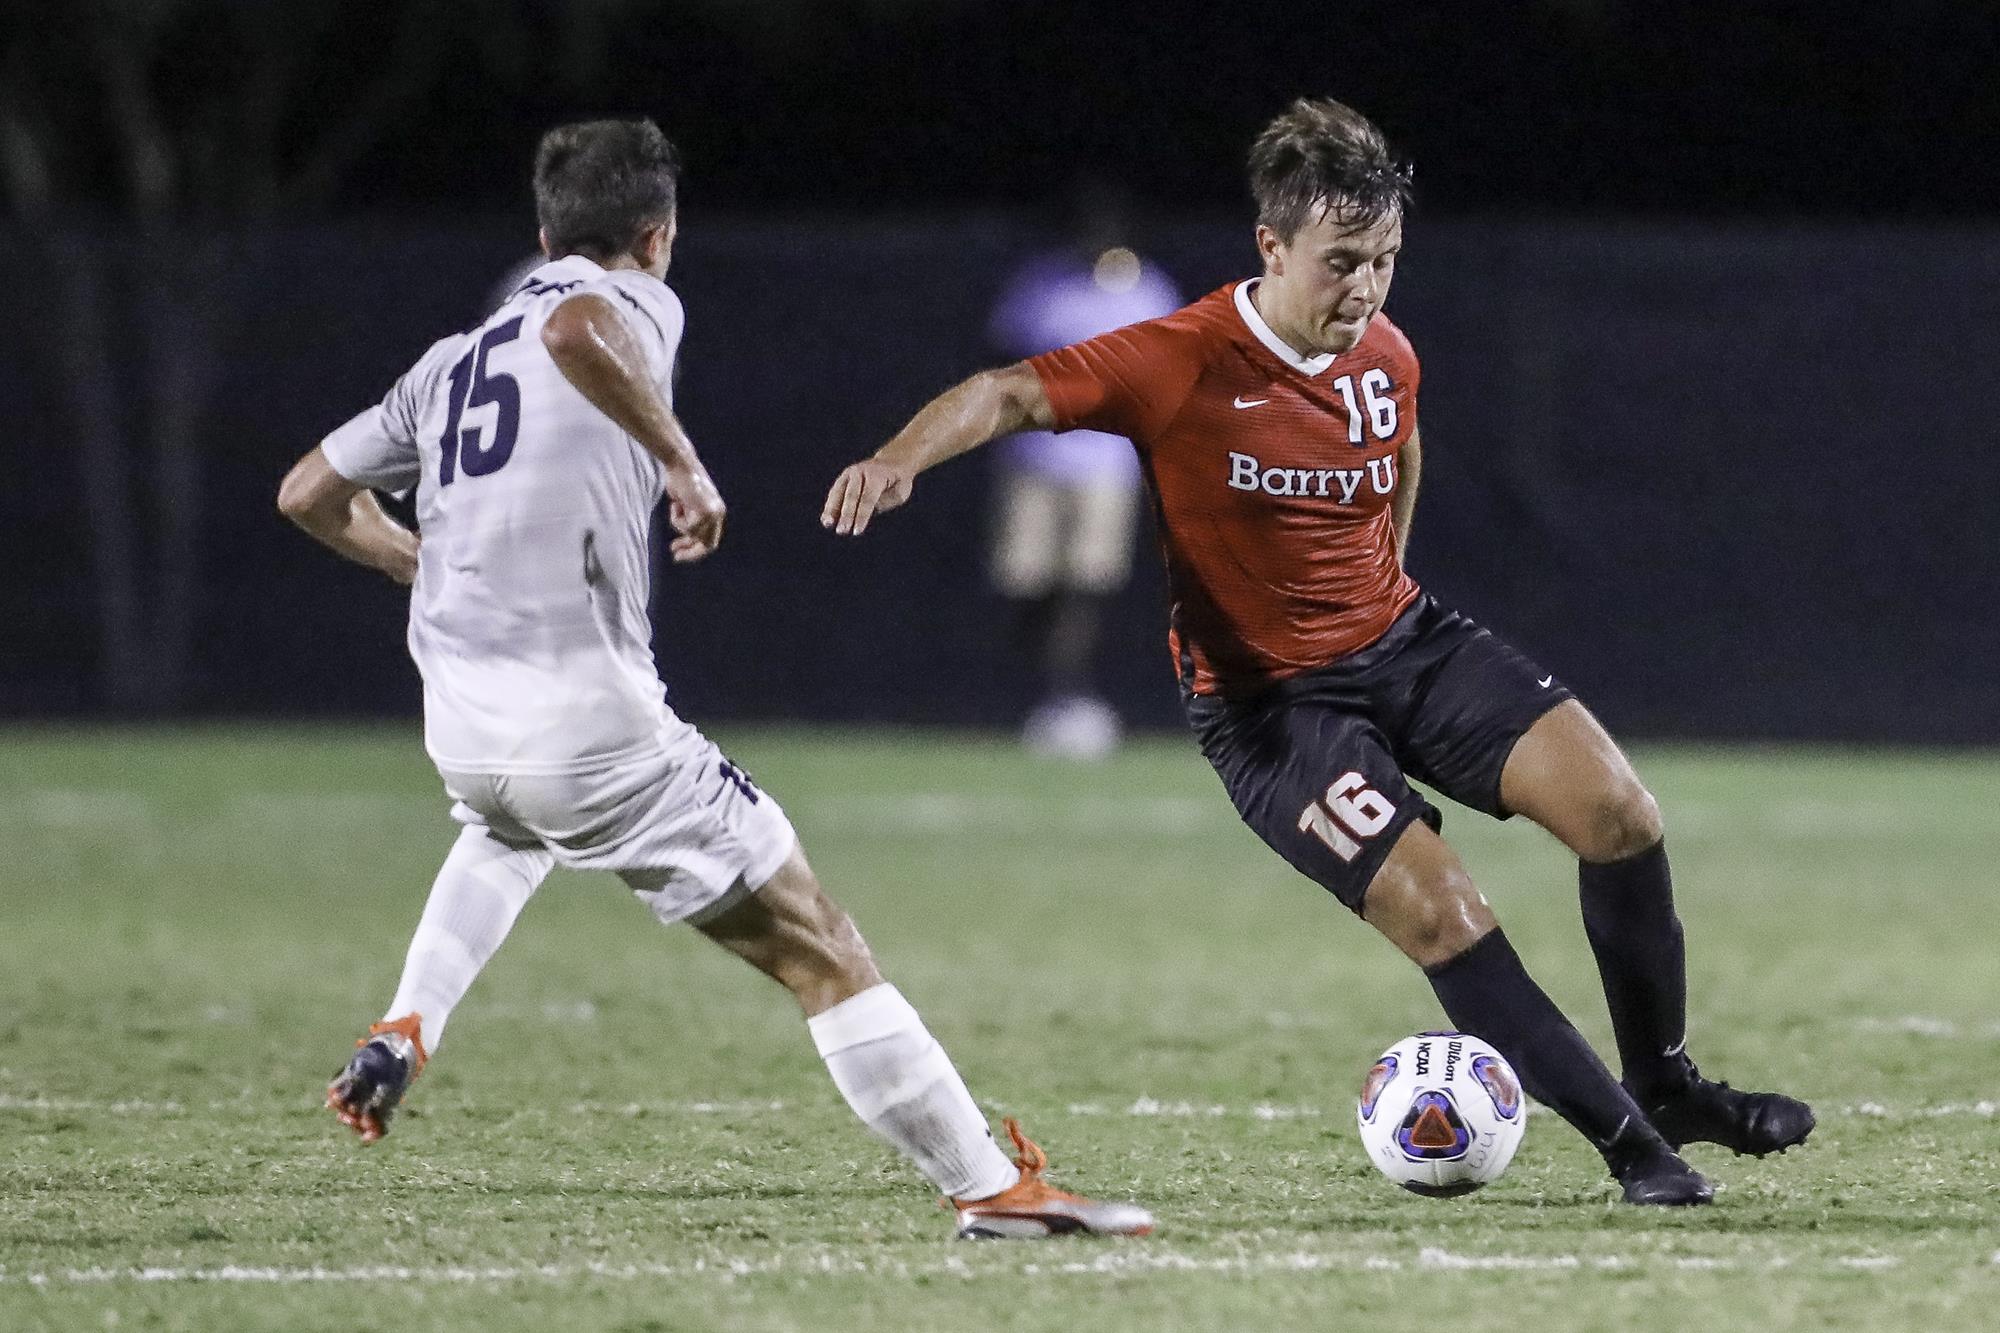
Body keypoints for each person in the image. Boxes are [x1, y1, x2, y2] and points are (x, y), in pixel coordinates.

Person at [822, 97, 1814, 1206]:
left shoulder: (1384, 349)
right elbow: (1008, 390)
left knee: (1620, 814)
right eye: (1340, 262)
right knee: (1444, 911)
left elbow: (1398, 445)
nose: (1365, 288)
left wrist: (1385, 577)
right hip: (1271, 709)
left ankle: (1665, 1080)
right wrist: (898, 458)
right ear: (1270, 246)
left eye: (1384, 260)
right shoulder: (1181, 358)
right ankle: (1635, 1148)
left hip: (1401, 638)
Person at [276, 118, 1150, 1241]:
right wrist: (682, 463)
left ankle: (404, 1024)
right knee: (821, 944)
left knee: (508, 827)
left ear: (542, 230)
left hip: (470, 732)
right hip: (596, 729)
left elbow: (306, 491)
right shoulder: (631, 298)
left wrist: (415, 555)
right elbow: (582, 322)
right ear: (658, 235)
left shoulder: (446, 365)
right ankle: (994, 1189)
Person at [985, 185, 1182, 757]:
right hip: (1035, 456)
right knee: (1024, 580)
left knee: (1087, 583)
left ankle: (1068, 697)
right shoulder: (1041, 283)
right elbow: (1000, 359)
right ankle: (1040, 691)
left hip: (1106, 462)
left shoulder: (1150, 289)